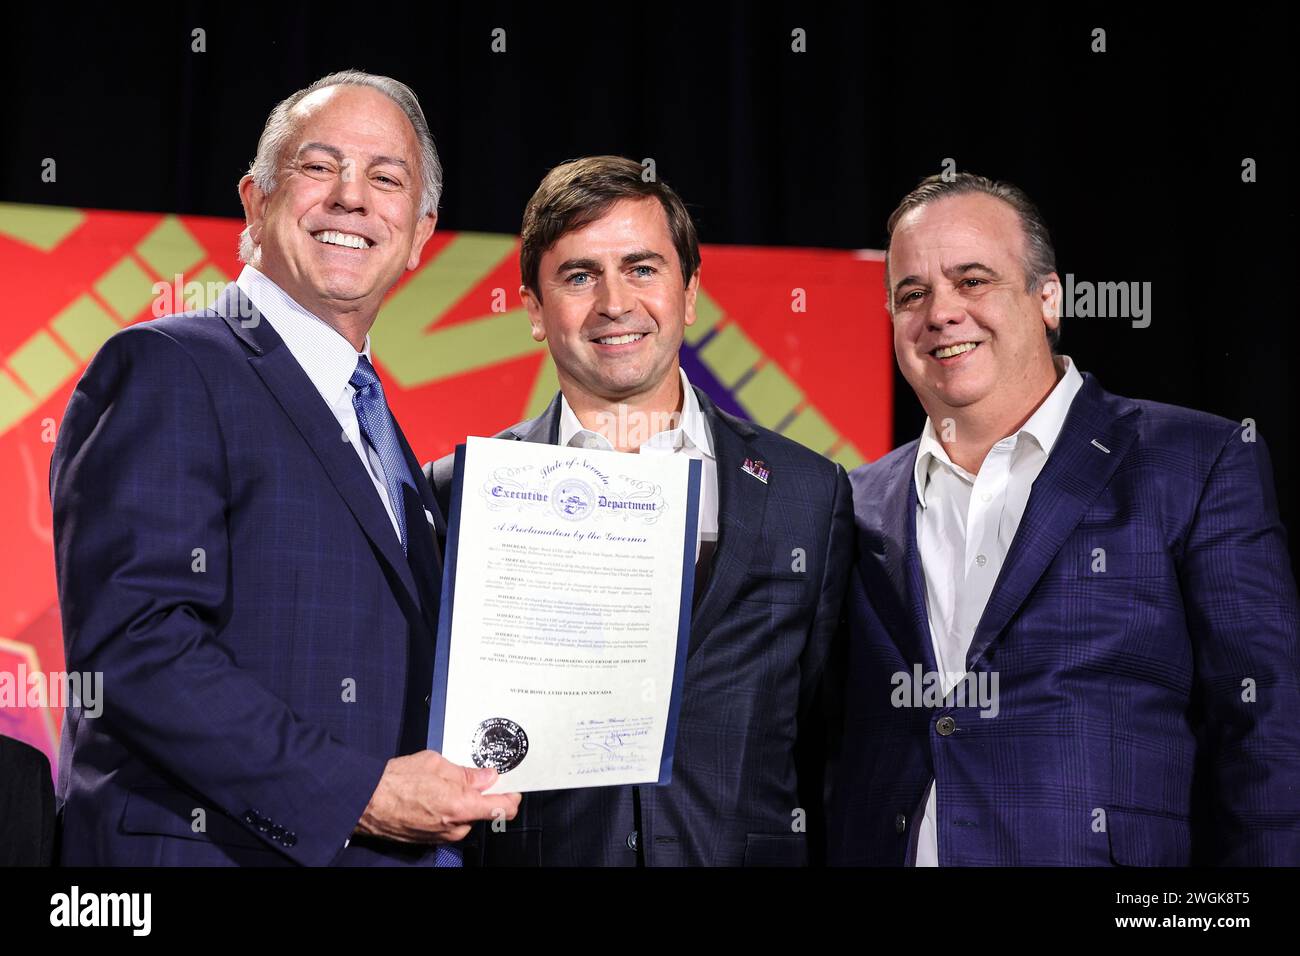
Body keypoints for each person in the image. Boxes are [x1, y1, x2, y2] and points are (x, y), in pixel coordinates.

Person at [50, 70, 518, 866]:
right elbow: (138, 646)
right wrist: (361, 793)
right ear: (255, 201)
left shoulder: (383, 433)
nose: (350, 197)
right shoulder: (168, 366)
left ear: (419, 233)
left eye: (386, 178)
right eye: (318, 165)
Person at [827, 172, 1300, 865]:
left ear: (1047, 298)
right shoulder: (855, 499)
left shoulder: (1192, 462)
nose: (941, 313)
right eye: (912, 293)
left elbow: (1268, 724)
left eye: (973, 280)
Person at [426, 156, 853, 865]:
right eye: (579, 275)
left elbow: (829, 737)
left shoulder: (809, 494)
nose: (615, 302)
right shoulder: (457, 493)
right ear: (534, 310)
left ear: (689, 295)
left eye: (643, 268)